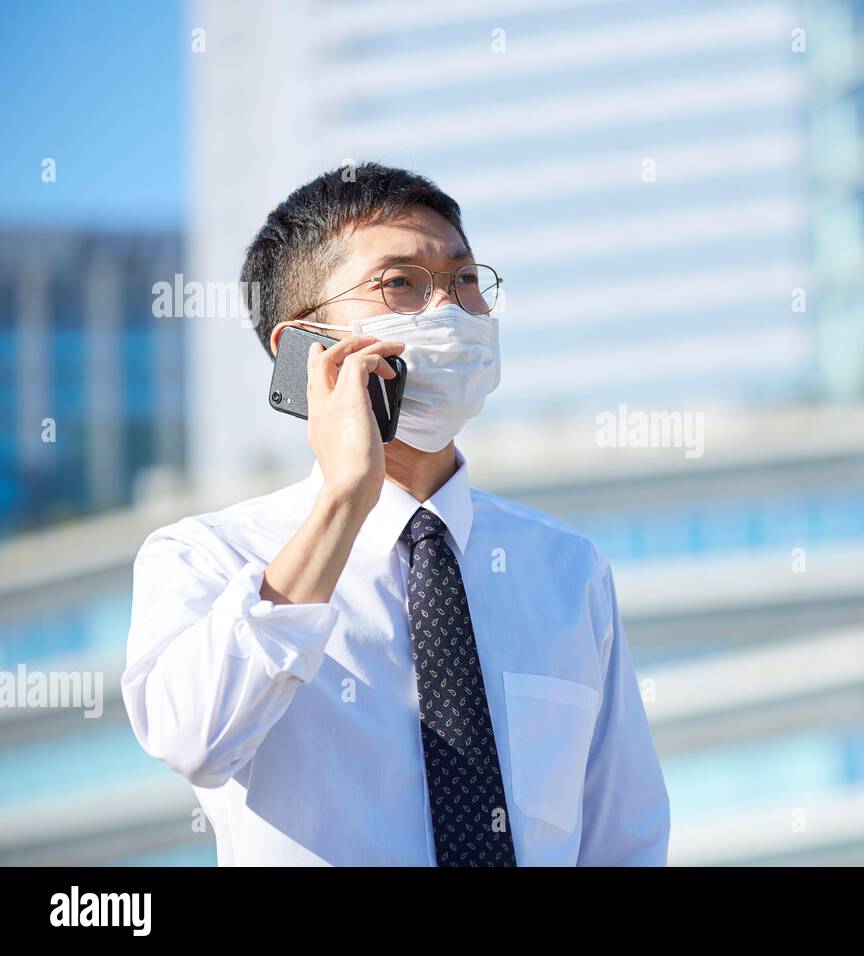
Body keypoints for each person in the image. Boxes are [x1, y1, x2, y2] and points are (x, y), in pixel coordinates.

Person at [121, 162, 670, 866]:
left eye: (465, 279)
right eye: (402, 283)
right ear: (300, 349)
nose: (448, 309)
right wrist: (345, 500)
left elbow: (624, 837)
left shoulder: (567, 568)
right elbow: (192, 738)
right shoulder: (207, 555)